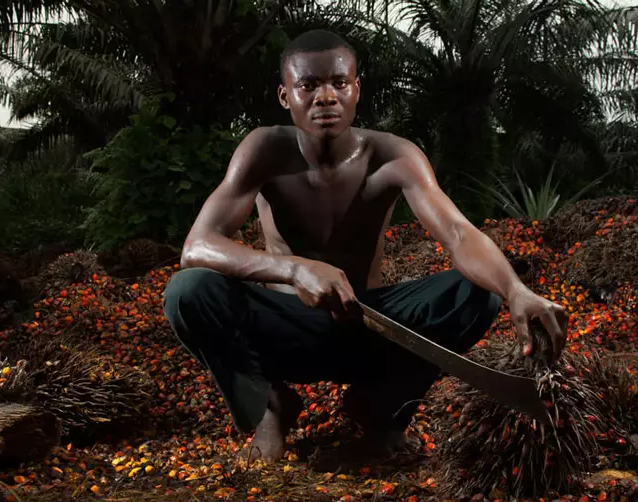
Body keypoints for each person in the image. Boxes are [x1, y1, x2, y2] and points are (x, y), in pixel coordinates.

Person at [162, 29, 569, 462]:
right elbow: (199, 245)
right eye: (309, 85)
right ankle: (272, 405)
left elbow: (459, 233)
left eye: (339, 82)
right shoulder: (264, 149)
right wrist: (296, 269)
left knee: (480, 291)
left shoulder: (394, 155)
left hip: (371, 326)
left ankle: (381, 407)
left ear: (357, 89)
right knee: (188, 291)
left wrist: (514, 289)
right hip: (285, 331)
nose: (326, 97)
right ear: (285, 96)